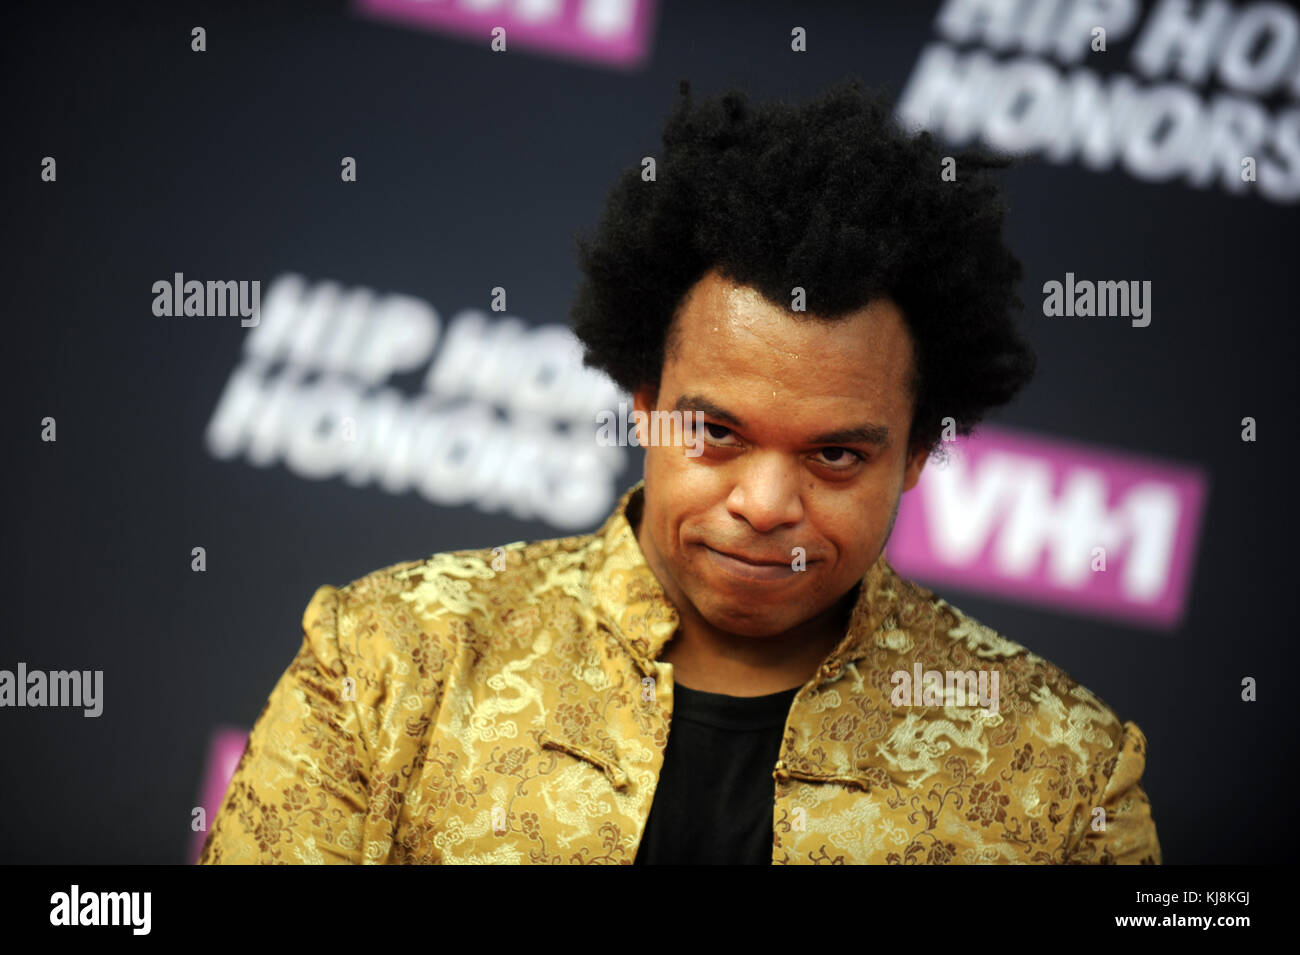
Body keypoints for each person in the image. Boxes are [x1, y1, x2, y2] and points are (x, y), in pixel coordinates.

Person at [199, 78, 1160, 865]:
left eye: (836, 454)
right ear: (646, 405)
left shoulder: (1063, 764)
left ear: (915, 455)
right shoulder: (386, 659)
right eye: (718, 432)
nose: (765, 504)